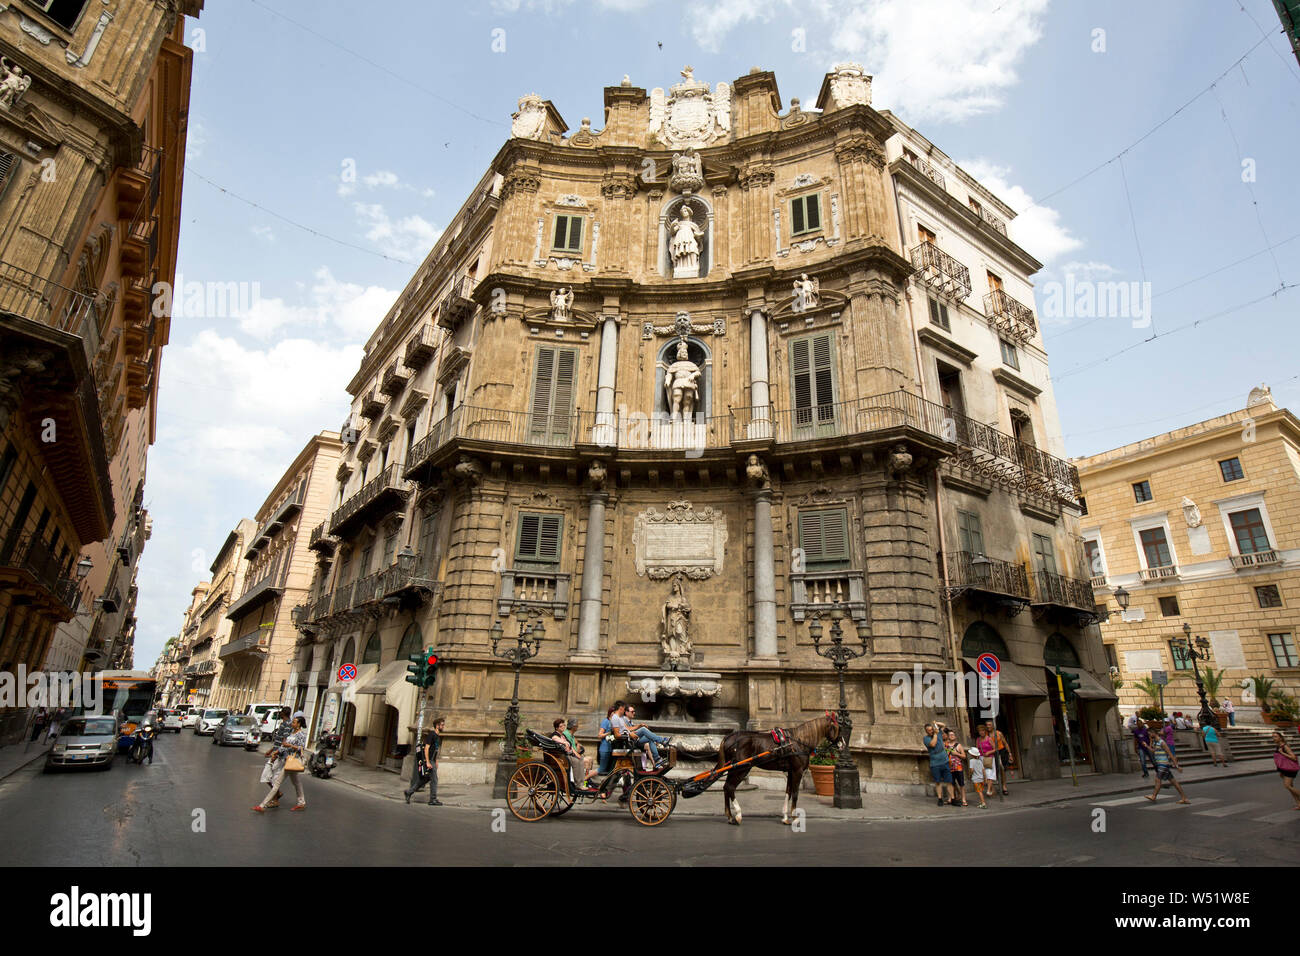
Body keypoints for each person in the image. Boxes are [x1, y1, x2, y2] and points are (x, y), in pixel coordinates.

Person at [254, 715, 307, 812]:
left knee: (277, 783)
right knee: (297, 783)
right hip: (287, 760)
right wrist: (277, 752)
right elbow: (284, 746)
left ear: (299, 724)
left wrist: (289, 745)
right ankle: (301, 802)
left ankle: (262, 805)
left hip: (293, 760)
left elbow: (301, 748)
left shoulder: (301, 735)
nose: (292, 724)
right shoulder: (292, 733)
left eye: (294, 722)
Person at [1145, 721, 1189, 805]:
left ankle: (1154, 796)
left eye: (1149, 734)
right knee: (1174, 782)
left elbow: (1170, 754)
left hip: (1163, 764)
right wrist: (1147, 746)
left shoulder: (1162, 742)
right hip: (1161, 764)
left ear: (1153, 733)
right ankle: (1184, 798)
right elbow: (1153, 751)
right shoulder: (1156, 742)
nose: (1149, 735)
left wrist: (1177, 766)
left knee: (1158, 779)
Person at [404, 717, 444, 806]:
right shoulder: (432, 734)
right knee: (434, 779)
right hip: (429, 760)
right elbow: (426, 748)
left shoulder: (437, 736)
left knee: (424, 779)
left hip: (432, 760)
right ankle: (433, 799)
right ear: (437, 726)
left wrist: (436, 760)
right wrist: (428, 762)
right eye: (442, 725)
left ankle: (409, 792)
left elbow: (435, 749)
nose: (443, 726)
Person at [551, 718, 596, 793]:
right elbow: (554, 738)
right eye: (561, 726)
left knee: (580, 759)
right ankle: (578, 784)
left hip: (568, 753)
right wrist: (564, 742)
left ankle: (582, 782)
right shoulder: (556, 734)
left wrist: (577, 754)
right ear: (557, 728)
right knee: (575, 761)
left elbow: (571, 746)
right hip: (562, 755)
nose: (563, 727)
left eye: (563, 725)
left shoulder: (563, 736)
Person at [260, 707, 293, 808]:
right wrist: (271, 750)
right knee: (268, 776)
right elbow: (278, 741)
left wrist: (277, 753)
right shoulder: (283, 723)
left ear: (283, 713)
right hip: (276, 753)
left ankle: (275, 799)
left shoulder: (287, 724)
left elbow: (285, 742)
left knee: (272, 777)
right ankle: (277, 794)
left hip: (280, 756)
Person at [923, 721, 952, 807]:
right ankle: (940, 798)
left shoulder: (938, 732)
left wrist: (936, 723)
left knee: (949, 781)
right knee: (938, 782)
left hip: (944, 760)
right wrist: (935, 734)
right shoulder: (926, 739)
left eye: (932, 729)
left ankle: (952, 798)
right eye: (929, 730)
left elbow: (944, 725)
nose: (931, 731)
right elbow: (933, 744)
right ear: (926, 731)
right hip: (935, 763)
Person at [1271, 731, 1300, 809]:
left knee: (1287, 786)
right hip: (1284, 769)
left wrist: (1282, 753)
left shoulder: (1284, 746)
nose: (1274, 738)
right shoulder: (1278, 746)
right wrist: (1280, 771)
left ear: (1280, 737)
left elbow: (1294, 757)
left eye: (1275, 736)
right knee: (1290, 787)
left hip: (1290, 769)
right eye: (1273, 736)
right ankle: (1299, 804)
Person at [562, 717, 594, 781]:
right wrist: (578, 747)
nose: (578, 727)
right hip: (570, 755)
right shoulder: (567, 734)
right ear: (573, 726)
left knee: (590, 759)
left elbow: (575, 744)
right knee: (587, 761)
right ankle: (584, 780)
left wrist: (578, 745)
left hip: (574, 753)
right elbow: (572, 749)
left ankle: (587, 779)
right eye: (577, 725)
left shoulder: (571, 734)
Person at [987, 721, 1012, 795]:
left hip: (1001, 751)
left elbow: (1005, 743)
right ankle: (998, 784)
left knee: (1002, 768)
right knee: (996, 770)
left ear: (993, 726)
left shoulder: (999, 733)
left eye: (989, 725)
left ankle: (1004, 786)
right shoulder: (987, 735)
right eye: (987, 725)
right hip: (992, 752)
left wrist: (1010, 753)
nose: (988, 726)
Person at [944, 729, 967, 807]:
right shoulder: (946, 746)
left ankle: (963, 799)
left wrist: (957, 753)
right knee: (951, 783)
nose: (952, 736)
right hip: (950, 767)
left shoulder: (958, 745)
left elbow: (964, 756)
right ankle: (951, 798)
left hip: (958, 767)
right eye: (950, 735)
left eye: (953, 735)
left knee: (961, 784)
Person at [596, 705, 617, 774]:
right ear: (610, 713)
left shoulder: (614, 722)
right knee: (601, 769)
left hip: (611, 749)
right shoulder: (606, 721)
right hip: (604, 749)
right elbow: (599, 735)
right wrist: (608, 733)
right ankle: (585, 780)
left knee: (609, 770)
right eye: (614, 712)